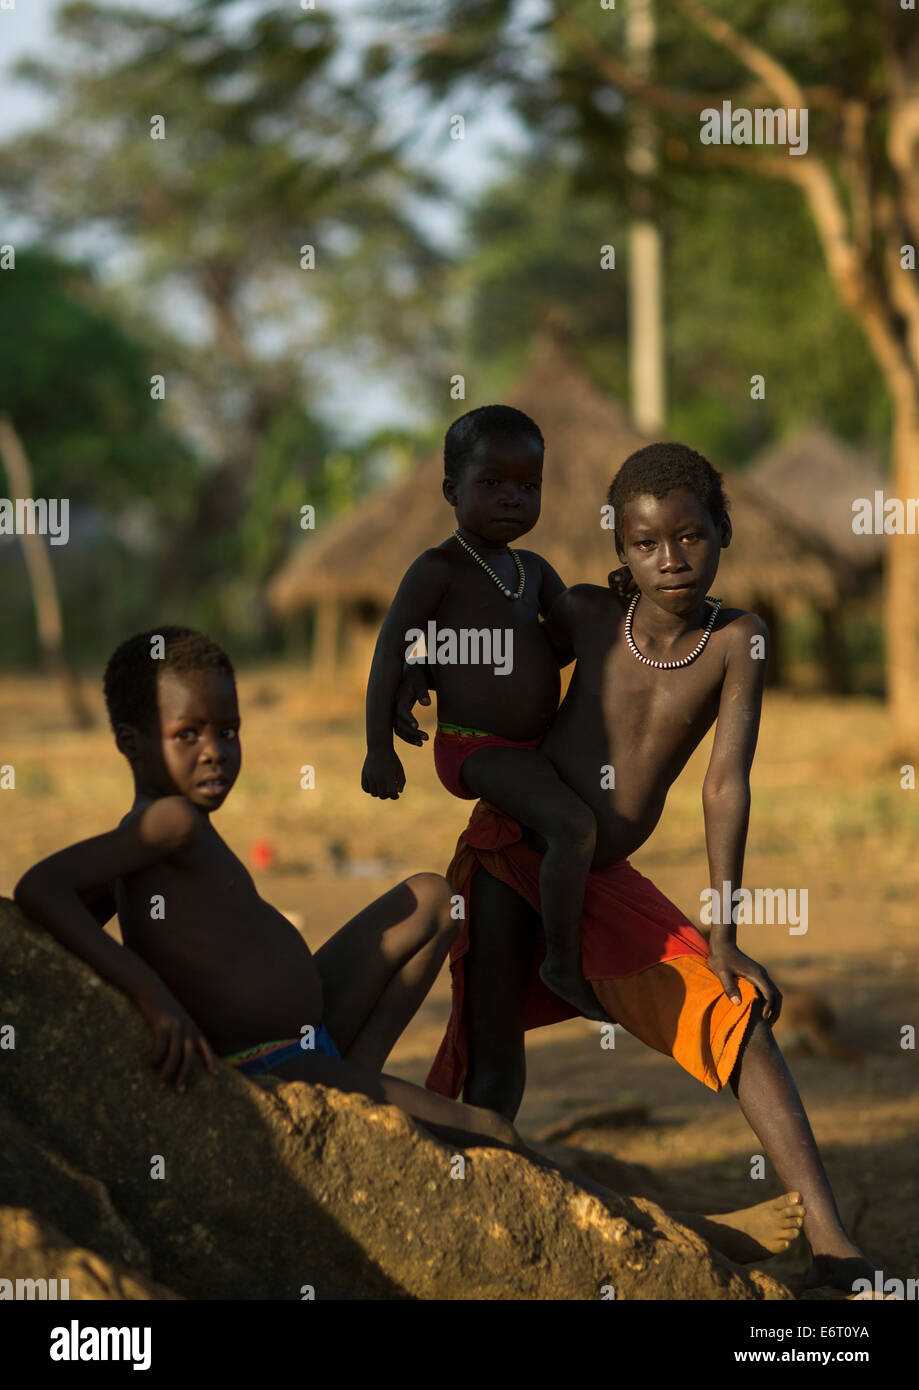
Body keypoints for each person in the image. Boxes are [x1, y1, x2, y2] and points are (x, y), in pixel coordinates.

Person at [15, 623, 805, 1269]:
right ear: (130, 740)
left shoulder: (158, 833)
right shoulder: (165, 823)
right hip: (273, 1063)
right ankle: (698, 1239)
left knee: (431, 898)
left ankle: (359, 1098)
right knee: (491, 1133)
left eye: (227, 730)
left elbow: (78, 903)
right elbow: (40, 890)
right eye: (187, 734)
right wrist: (151, 999)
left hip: (313, 1033)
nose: (215, 751)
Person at [422, 442, 875, 1292]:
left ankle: (833, 1247)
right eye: (643, 542)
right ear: (619, 547)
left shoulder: (737, 641)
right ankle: (454, 1237)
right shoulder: (588, 616)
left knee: (733, 1012)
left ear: (723, 532)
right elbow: (501, 659)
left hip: (600, 880)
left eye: (689, 537)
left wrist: (723, 933)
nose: (669, 559)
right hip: (510, 845)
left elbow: (724, 784)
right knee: (490, 1069)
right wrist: (424, 676)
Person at [362, 404, 607, 1020]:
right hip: (477, 746)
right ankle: (561, 962)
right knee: (574, 826)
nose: (512, 499)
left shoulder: (534, 571)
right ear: (452, 490)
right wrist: (378, 748)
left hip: (540, 744)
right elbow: (391, 649)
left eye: (529, 486)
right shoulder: (438, 568)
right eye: (492, 483)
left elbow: (572, 631)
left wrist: (615, 598)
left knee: (580, 600)